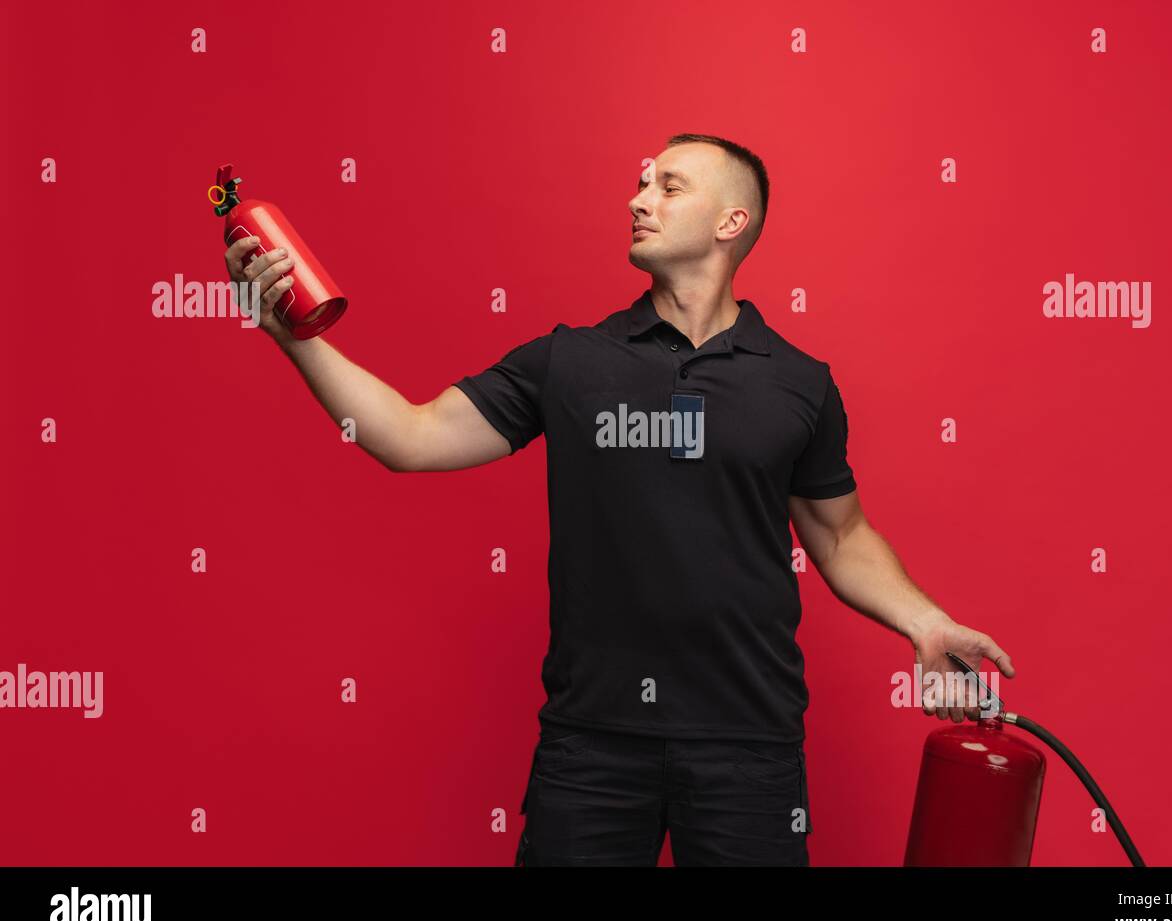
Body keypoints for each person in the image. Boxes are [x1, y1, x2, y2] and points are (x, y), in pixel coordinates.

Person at [223, 132, 1016, 866]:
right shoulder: (568, 361)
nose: (639, 199)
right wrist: (293, 335)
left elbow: (841, 537)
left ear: (730, 221)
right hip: (591, 744)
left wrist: (926, 621)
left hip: (749, 743)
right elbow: (408, 436)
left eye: (669, 186)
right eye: (640, 184)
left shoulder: (799, 381)